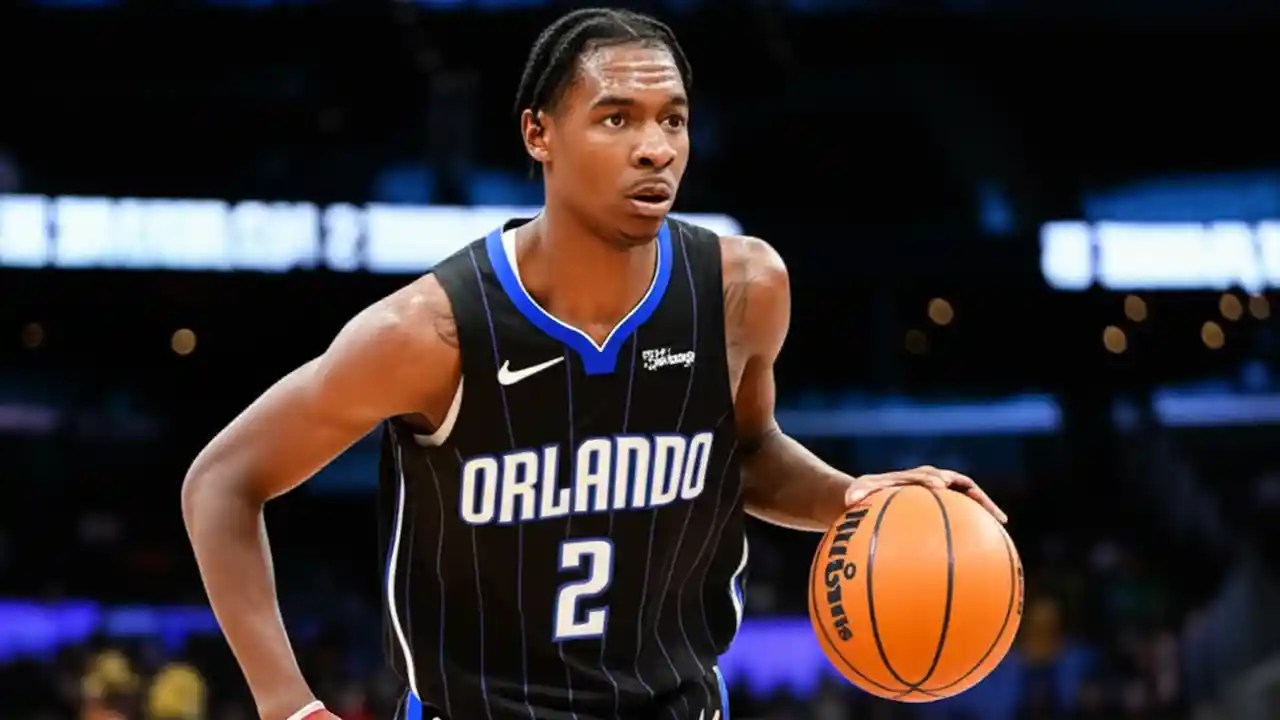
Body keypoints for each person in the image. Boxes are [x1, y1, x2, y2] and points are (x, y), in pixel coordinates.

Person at [180, 8, 1007, 720]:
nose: (655, 149)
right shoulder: (431, 333)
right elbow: (223, 482)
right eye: (617, 118)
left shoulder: (744, 289)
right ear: (538, 133)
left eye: (673, 120)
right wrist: (289, 704)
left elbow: (746, 454)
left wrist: (853, 497)